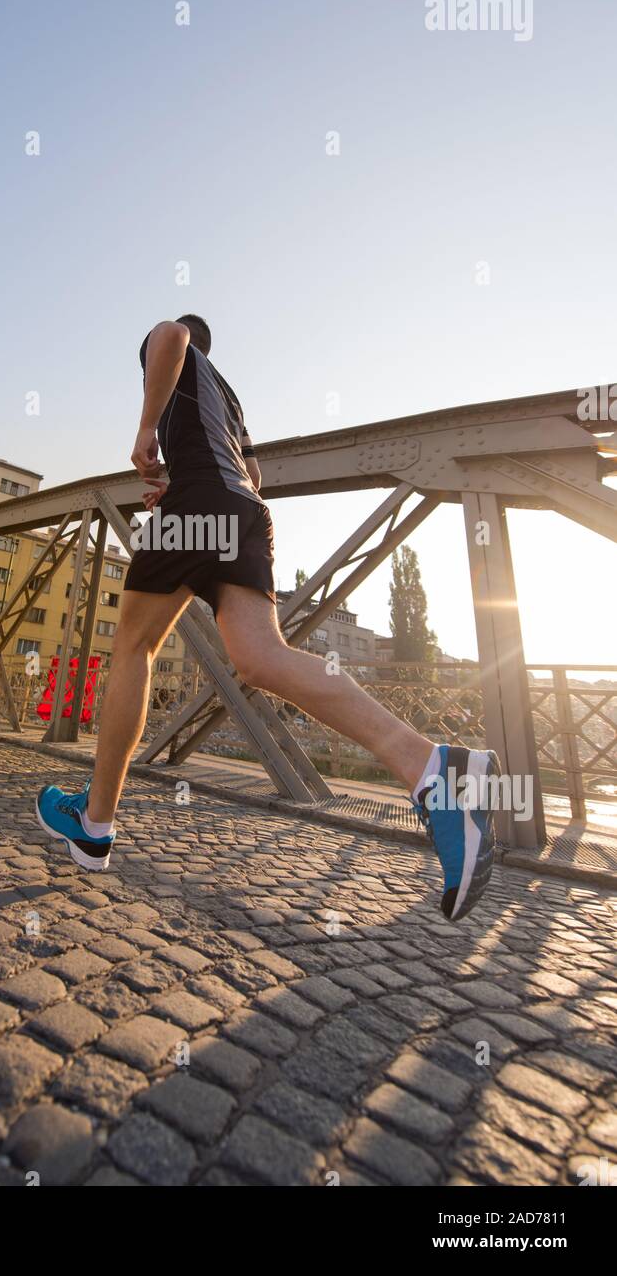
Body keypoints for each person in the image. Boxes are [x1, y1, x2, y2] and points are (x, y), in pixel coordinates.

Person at [36, 315, 499, 921]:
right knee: (260, 657)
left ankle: (94, 822)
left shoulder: (171, 345)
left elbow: (170, 335)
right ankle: (432, 767)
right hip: (243, 511)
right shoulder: (228, 399)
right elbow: (253, 475)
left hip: (199, 505)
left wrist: (148, 431)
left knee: (134, 647)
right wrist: (183, 484)